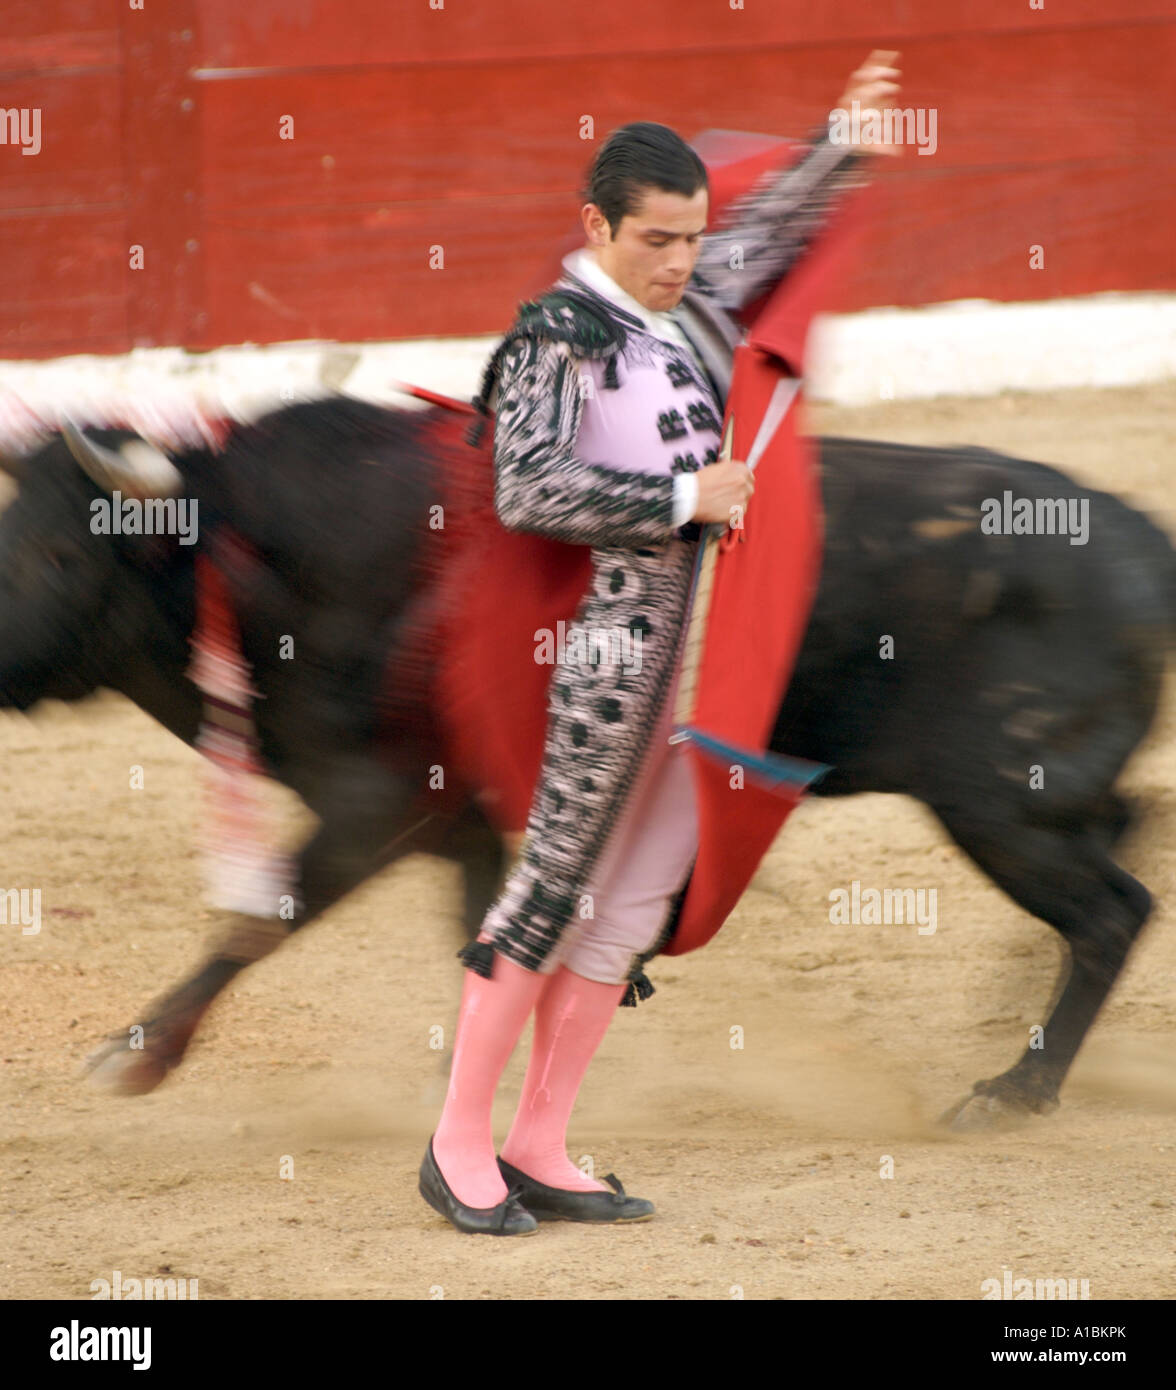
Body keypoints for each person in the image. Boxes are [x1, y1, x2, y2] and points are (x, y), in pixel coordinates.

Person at [420, 52, 903, 1235]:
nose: (684, 259)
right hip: (607, 662)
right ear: (598, 226)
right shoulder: (559, 333)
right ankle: (456, 1147)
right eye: (657, 240)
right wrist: (686, 498)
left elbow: (767, 238)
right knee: (551, 888)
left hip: (700, 666)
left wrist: (836, 144)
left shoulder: (682, 305)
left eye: (692, 237)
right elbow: (527, 484)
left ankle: (538, 1140)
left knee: (628, 906)